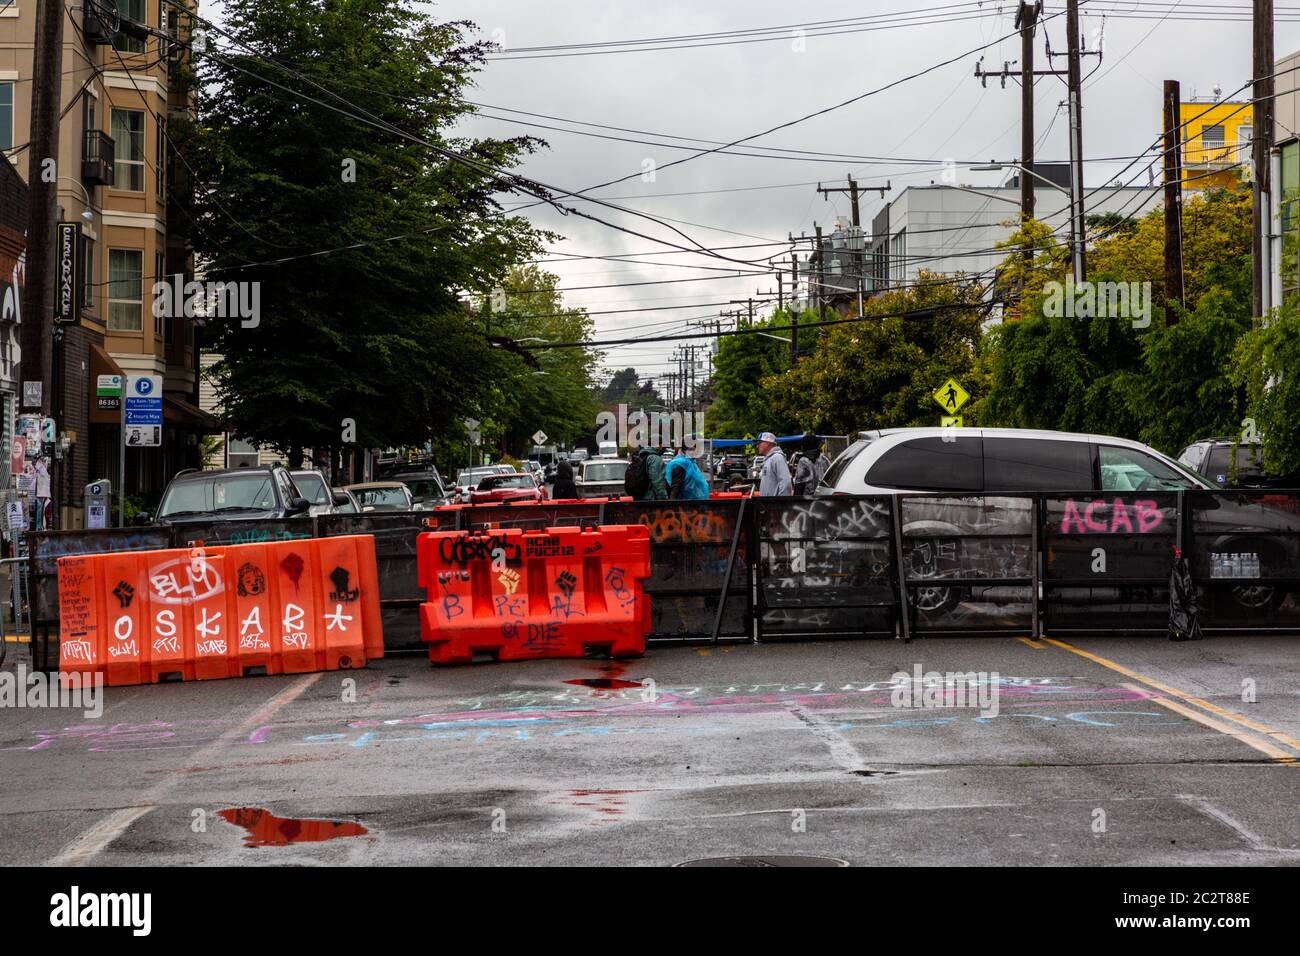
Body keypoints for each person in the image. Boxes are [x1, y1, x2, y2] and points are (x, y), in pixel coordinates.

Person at [755, 432, 792, 496]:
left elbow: (786, 483)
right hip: (769, 504)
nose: (757, 446)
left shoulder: (777, 457)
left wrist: (781, 503)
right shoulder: (769, 459)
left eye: (759, 443)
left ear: (767, 443)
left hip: (775, 504)